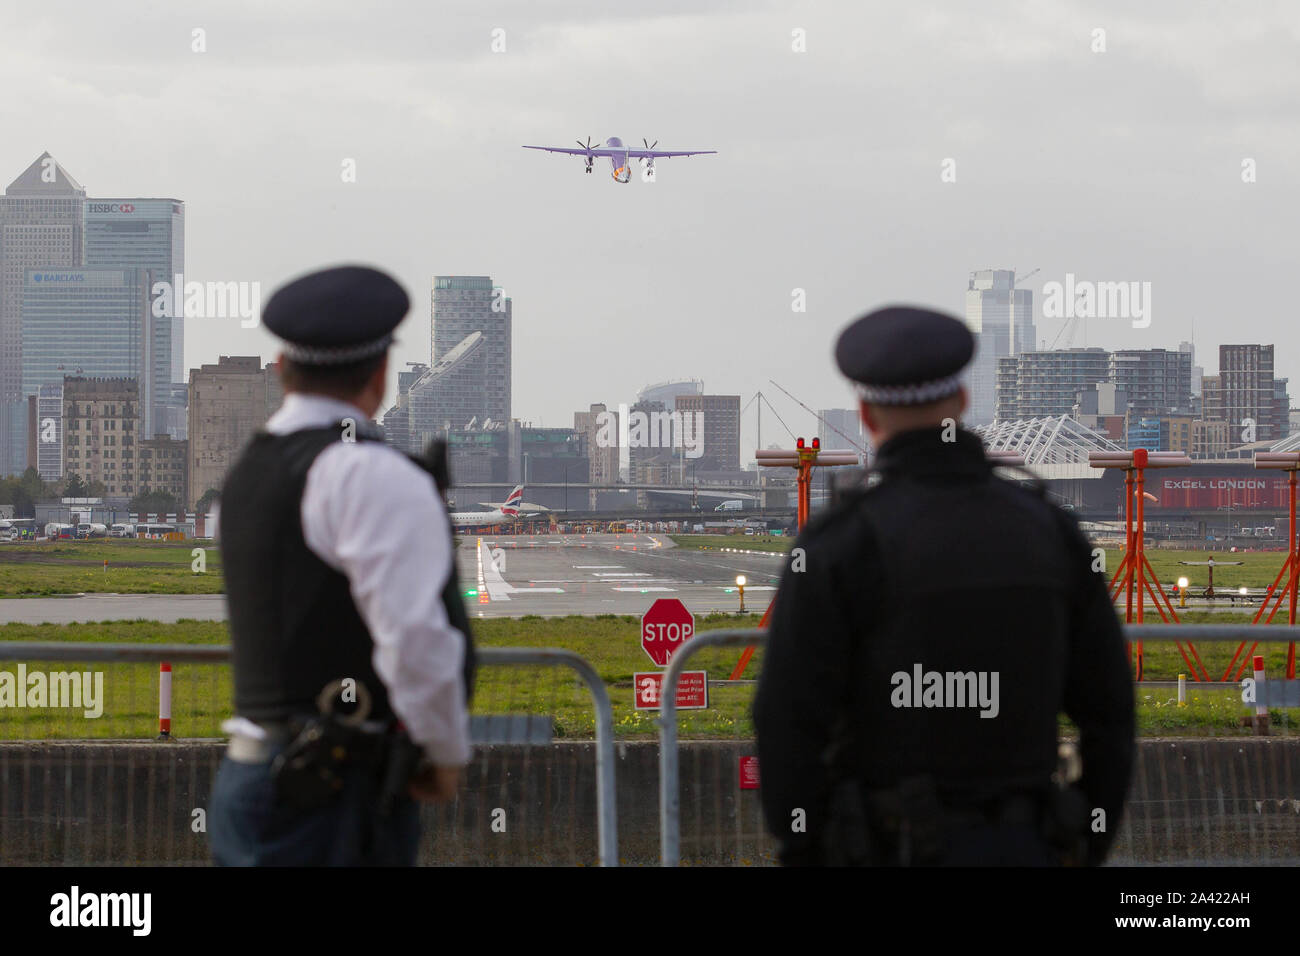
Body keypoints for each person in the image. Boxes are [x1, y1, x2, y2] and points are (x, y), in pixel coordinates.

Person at [753, 305, 1135, 866]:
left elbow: (785, 723)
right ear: (961, 402)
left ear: (865, 413)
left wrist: (809, 850)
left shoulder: (841, 543)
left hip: (888, 847)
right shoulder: (1050, 532)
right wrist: (1080, 843)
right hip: (1024, 845)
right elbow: (1110, 714)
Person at [209, 264, 473, 866]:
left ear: (282, 370)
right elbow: (414, 638)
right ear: (380, 374)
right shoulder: (368, 472)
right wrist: (445, 752)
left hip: (248, 780)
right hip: (334, 796)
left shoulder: (245, 474)